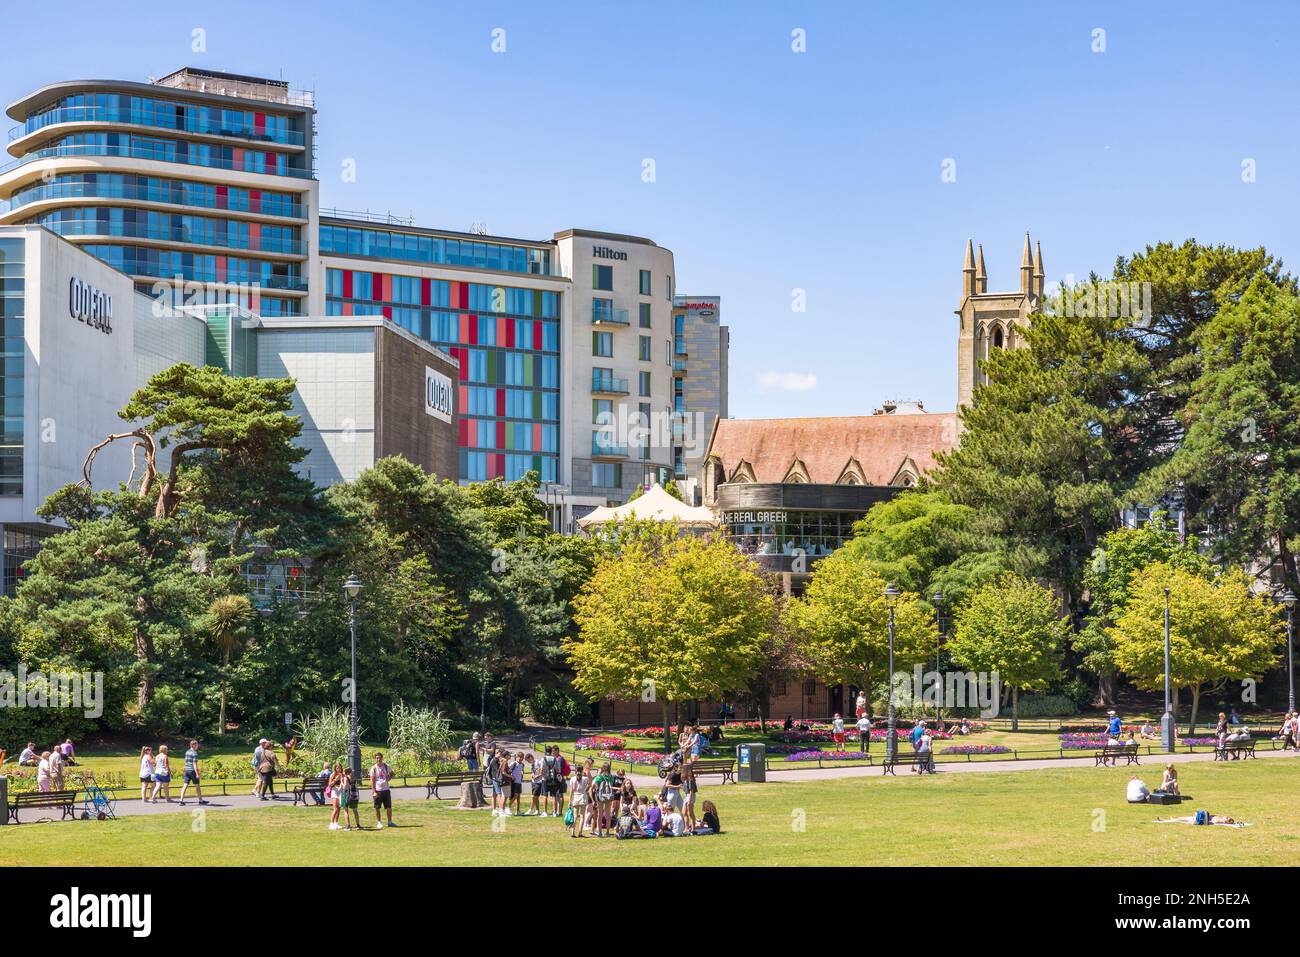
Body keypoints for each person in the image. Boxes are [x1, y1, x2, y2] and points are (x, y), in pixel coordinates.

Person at [592, 761, 618, 837]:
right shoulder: (611, 777)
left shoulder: (599, 777)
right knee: (608, 814)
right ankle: (607, 832)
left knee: (600, 814)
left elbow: (596, 786)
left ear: (602, 768)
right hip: (609, 797)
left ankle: (599, 832)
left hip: (600, 797)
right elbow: (611, 785)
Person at [370, 751, 395, 829]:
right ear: (375, 759)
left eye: (380, 758)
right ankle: (379, 822)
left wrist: (389, 778)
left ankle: (390, 822)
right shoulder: (373, 768)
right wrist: (374, 791)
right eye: (377, 758)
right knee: (377, 807)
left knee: (389, 807)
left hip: (386, 789)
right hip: (378, 790)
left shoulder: (386, 766)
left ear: (382, 758)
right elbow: (372, 780)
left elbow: (392, 773)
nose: (378, 759)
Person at [180, 740, 208, 806]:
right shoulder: (194, 753)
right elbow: (194, 764)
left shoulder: (187, 752)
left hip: (187, 770)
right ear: (193, 745)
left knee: (185, 785)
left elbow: (186, 761)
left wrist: (185, 768)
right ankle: (200, 800)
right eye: (196, 745)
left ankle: (181, 800)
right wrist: (197, 773)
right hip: (192, 771)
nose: (198, 746)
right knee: (197, 785)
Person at [569, 762, 591, 838]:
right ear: (582, 771)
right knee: (582, 816)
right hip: (583, 797)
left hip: (575, 797)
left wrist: (570, 800)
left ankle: (572, 832)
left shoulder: (572, 779)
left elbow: (571, 791)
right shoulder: (585, 779)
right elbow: (589, 787)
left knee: (575, 816)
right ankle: (580, 832)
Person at [1154, 811, 1247, 827]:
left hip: (1198, 820)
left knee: (1180, 820)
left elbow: (1209, 822)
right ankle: (1167, 819)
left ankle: (1163, 820)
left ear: (1226, 821)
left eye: (1227, 818)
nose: (1226, 816)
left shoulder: (1218, 821)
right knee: (1180, 818)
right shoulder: (1219, 818)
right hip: (1198, 818)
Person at [327, 762, 345, 830]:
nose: (338, 769)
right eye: (337, 768)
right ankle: (331, 823)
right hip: (334, 791)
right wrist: (335, 780)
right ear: (335, 768)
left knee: (339, 808)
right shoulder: (333, 774)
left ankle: (336, 823)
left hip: (340, 791)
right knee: (335, 808)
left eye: (339, 768)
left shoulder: (342, 774)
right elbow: (329, 785)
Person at [509, 751, 526, 816]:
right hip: (514, 782)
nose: (521, 759)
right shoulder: (513, 763)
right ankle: (508, 807)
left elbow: (522, 771)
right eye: (520, 757)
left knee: (518, 797)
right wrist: (511, 776)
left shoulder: (522, 764)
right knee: (515, 796)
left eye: (522, 758)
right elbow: (507, 769)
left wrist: (522, 773)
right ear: (517, 757)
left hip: (519, 782)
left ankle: (518, 811)